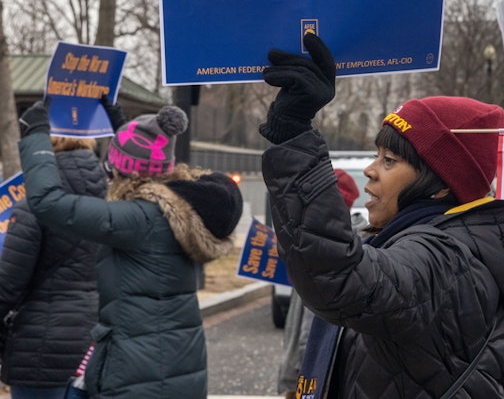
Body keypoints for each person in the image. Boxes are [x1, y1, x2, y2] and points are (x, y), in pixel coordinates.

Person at [258, 33, 504, 398]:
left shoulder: (445, 258)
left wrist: (294, 134)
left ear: (441, 186)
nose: (370, 169)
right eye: (377, 155)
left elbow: (340, 278)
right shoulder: (417, 242)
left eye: (389, 160)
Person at [17, 100, 244, 399]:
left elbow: (49, 203)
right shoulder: (177, 210)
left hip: (140, 377)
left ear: (123, 174)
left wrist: (36, 136)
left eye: (110, 170)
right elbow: (138, 161)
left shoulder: (140, 221)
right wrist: (118, 123)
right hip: (180, 368)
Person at [0, 135, 108, 399]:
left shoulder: (33, 205)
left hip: (39, 353)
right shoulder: (115, 201)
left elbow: (7, 287)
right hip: (99, 346)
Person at [277, 168, 365, 399]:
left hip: (314, 371)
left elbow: (312, 325)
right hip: (322, 369)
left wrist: (301, 374)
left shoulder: (325, 248)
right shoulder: (351, 243)